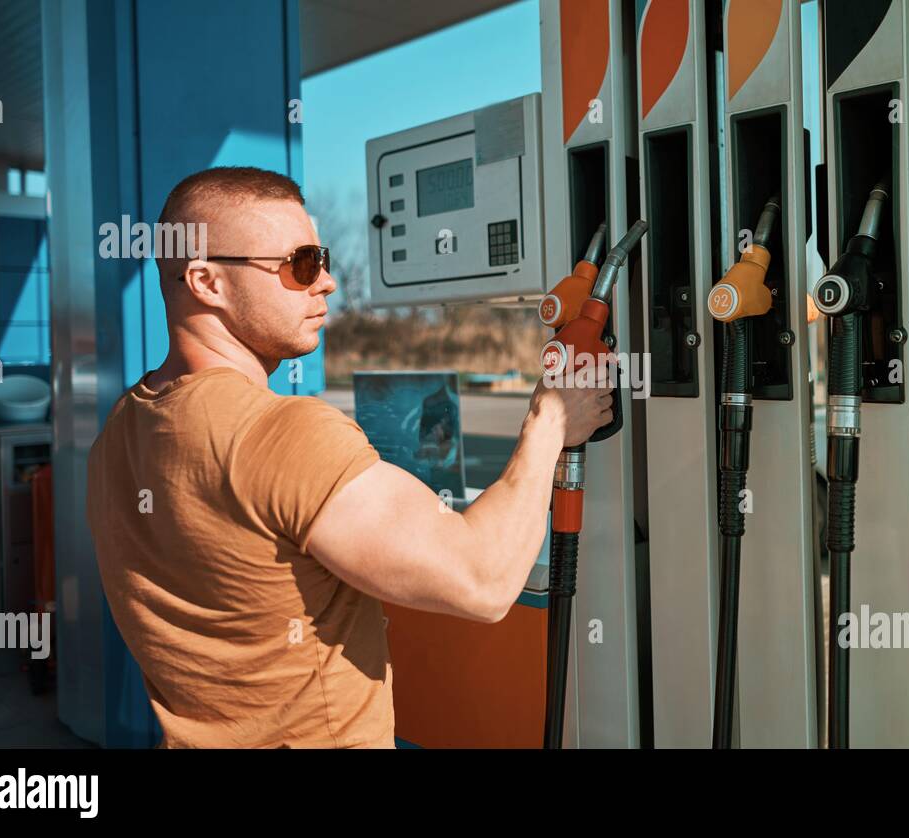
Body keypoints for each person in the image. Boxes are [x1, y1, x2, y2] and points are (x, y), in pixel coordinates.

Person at [86, 166, 612, 748]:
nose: (328, 282)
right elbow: (482, 581)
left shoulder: (119, 429)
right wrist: (550, 420)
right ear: (207, 282)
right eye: (301, 263)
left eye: (323, 257)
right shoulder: (284, 435)